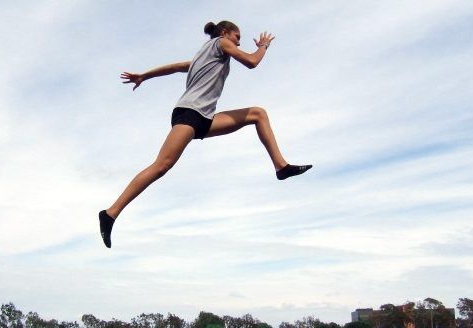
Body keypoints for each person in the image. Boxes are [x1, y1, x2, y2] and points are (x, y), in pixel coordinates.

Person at [99, 20, 313, 248]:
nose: (239, 42)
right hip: (189, 113)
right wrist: (263, 46)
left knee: (258, 114)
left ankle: (281, 167)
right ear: (223, 33)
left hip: (205, 119)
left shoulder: (204, 55)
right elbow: (252, 62)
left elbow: (174, 67)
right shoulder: (221, 43)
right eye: (237, 36)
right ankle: (110, 213)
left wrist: (144, 75)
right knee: (162, 165)